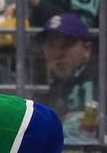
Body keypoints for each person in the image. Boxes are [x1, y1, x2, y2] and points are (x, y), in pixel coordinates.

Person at [39, 12, 98, 144]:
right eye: (51, 45)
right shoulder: (50, 87)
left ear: (87, 49)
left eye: (67, 44)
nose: (58, 53)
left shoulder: (103, 77)